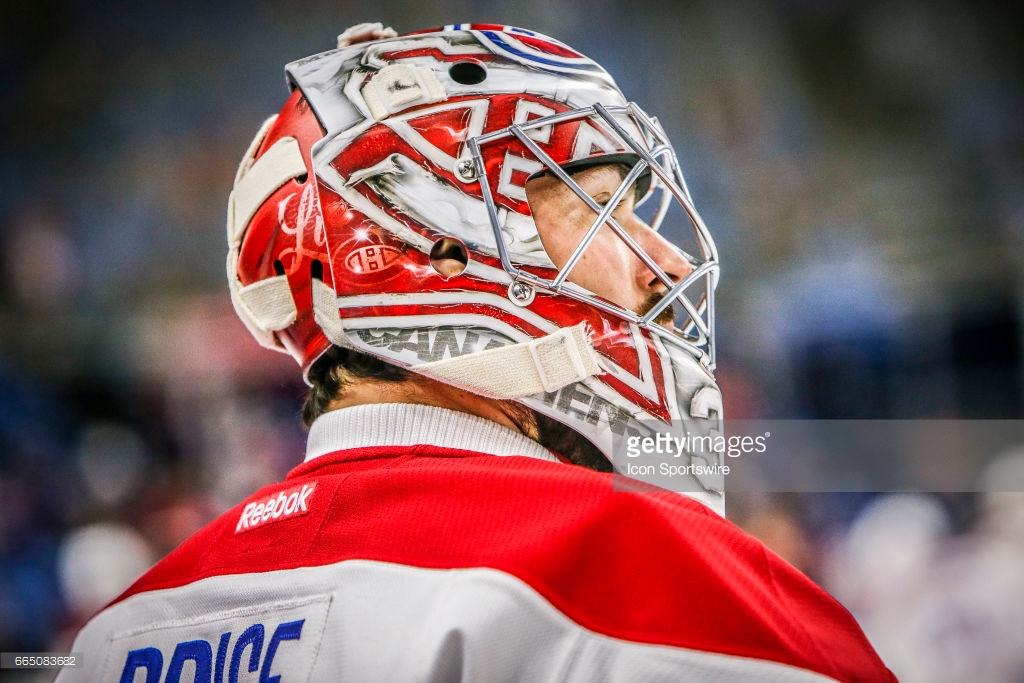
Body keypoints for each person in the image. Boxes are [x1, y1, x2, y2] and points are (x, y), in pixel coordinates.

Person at [58, 23, 895, 682]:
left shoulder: (119, 634)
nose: (666, 260)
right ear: (435, 249)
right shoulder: (653, 572)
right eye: (602, 205)